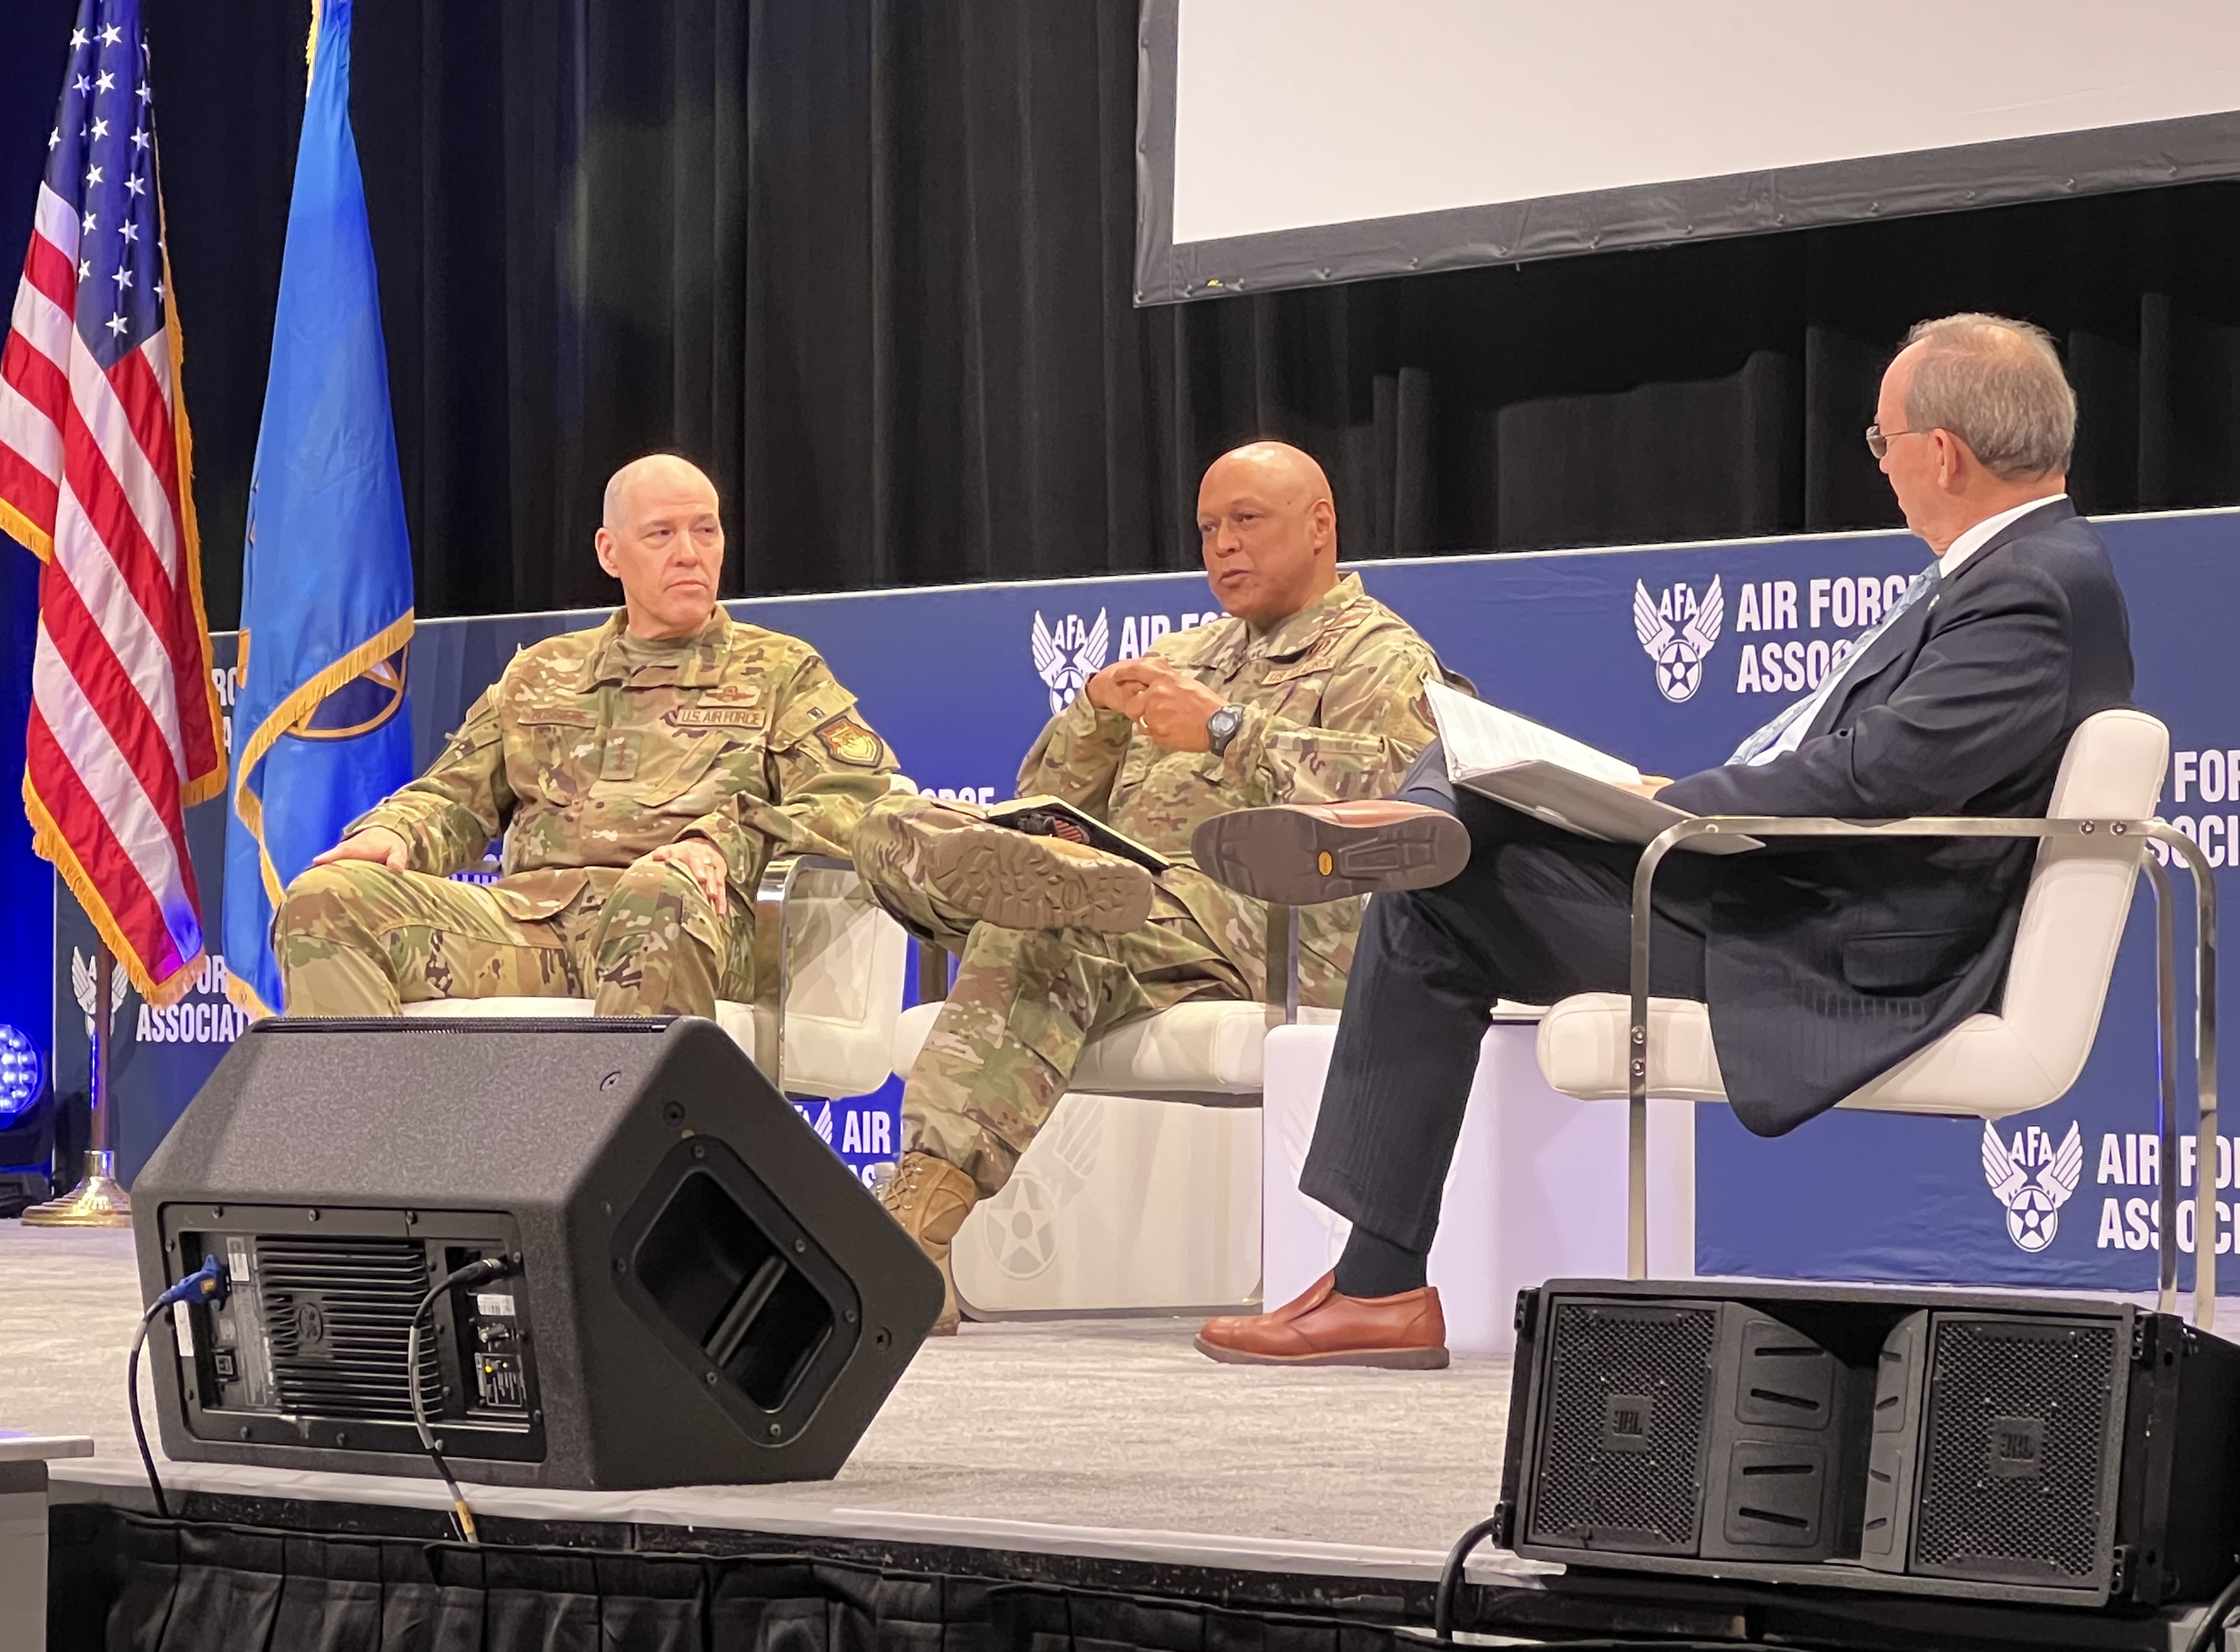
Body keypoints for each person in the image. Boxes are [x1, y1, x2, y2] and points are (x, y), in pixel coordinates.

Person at [1189, 314, 2135, 1368]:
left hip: (1836, 949)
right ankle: (1416, 827)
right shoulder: (2028, 570)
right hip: (1804, 904)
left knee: (1432, 891)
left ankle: (1379, 1280)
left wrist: (1676, 804)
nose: (1881, 464)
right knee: (1458, 767)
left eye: (1883, 440)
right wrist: (1647, 802)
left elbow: (1876, 776)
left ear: (1944, 454)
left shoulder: (2028, 587)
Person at [854, 441, 1451, 1331]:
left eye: (1246, 520)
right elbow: (1050, 793)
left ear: (1320, 525)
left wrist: (1227, 731)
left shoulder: (1383, 657)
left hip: (1284, 926)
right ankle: (940, 879)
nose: (1223, 546)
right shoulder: (1182, 653)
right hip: (1138, 912)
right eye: (1208, 529)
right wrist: (1096, 716)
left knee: (1058, 908)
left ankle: (913, 1233)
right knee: (994, 878)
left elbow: (1405, 814)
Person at [274, 453, 899, 1018]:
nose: (689, 553)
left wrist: (720, 842)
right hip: (531, 926)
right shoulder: (541, 672)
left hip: (690, 922)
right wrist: (395, 832)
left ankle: (641, 1117)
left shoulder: (781, 671)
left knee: (655, 900)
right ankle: (374, 1113)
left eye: (705, 530)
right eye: (661, 534)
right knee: (326, 900)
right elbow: (451, 798)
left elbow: (856, 801)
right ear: (610, 552)